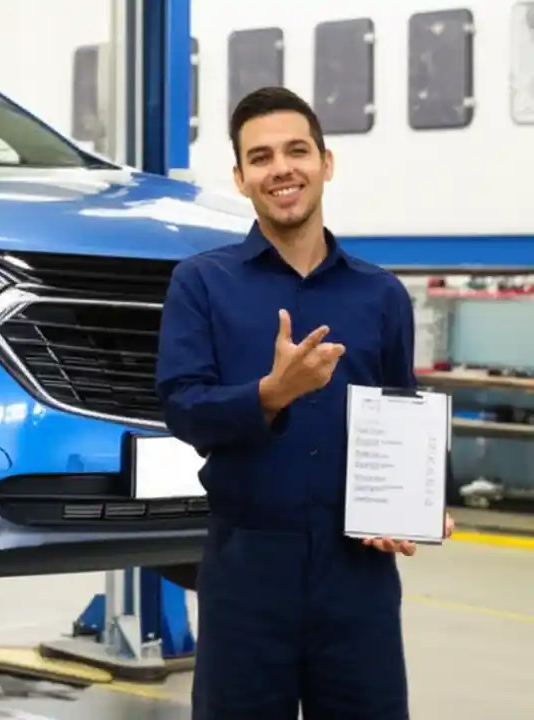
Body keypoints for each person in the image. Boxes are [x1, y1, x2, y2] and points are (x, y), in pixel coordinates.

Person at [154, 86, 454, 719]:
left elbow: (405, 409)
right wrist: (270, 395)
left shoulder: (381, 296)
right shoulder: (202, 284)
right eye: (260, 157)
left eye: (296, 150)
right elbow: (183, 408)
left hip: (357, 577)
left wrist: (424, 500)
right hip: (247, 569)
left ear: (326, 162)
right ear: (240, 179)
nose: (281, 168)